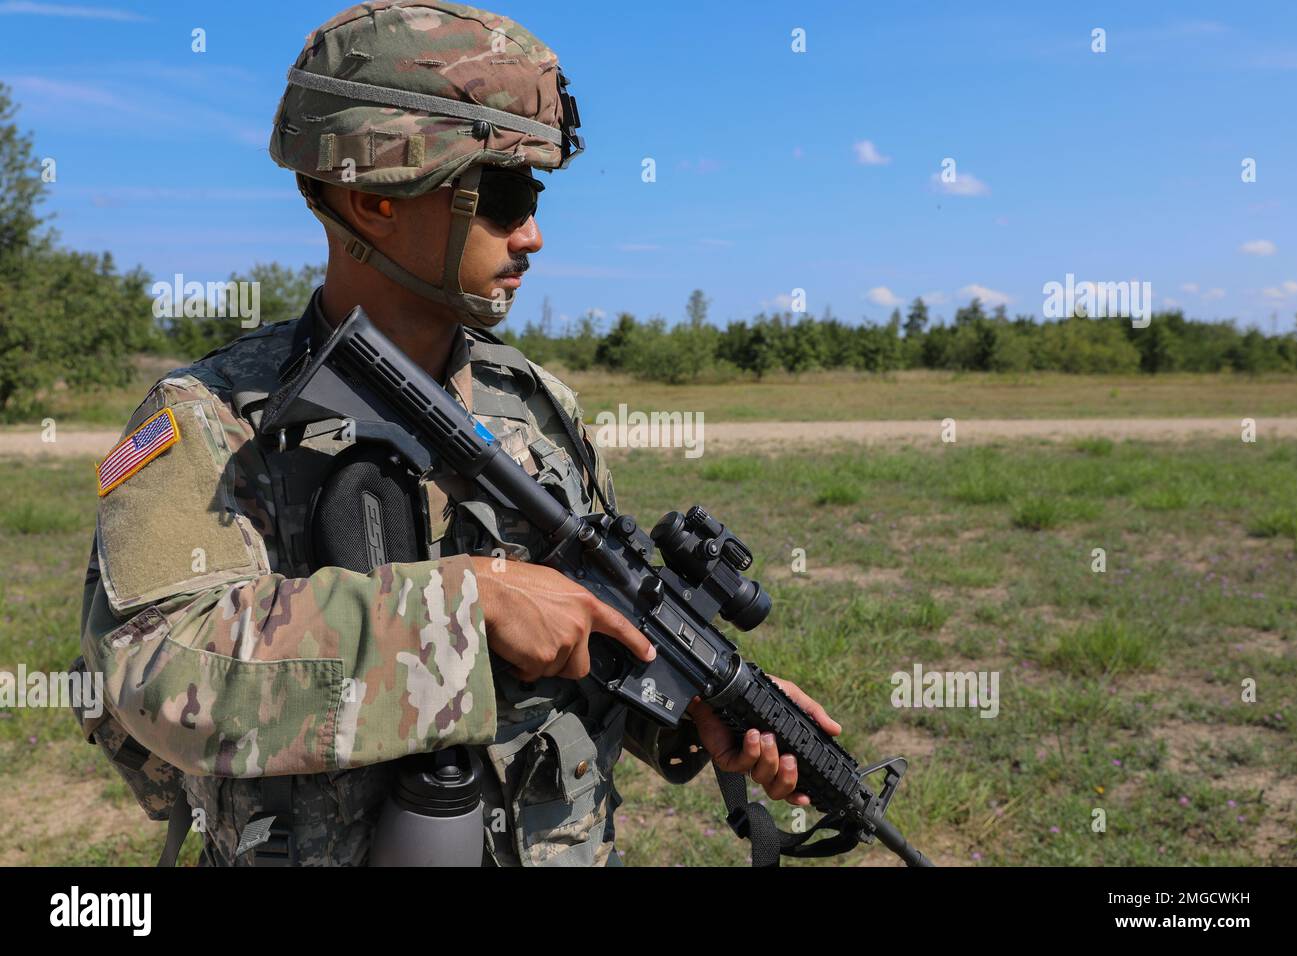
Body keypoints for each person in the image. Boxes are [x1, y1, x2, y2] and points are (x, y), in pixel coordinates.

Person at [74, 0, 842, 867]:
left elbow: (573, 644)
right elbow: (148, 673)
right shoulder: (213, 420)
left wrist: (689, 695)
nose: (534, 235)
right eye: (503, 195)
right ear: (374, 195)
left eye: (534, 195)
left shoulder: (536, 405)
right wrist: (465, 606)